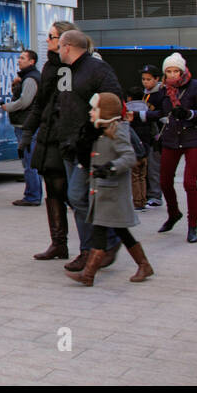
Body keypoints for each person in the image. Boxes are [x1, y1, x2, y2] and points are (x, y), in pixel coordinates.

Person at [53, 29, 124, 271]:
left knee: (77, 196)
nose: (56, 49)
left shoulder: (97, 69)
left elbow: (113, 102)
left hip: (88, 146)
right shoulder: (65, 72)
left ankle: (100, 245)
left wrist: (93, 133)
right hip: (68, 144)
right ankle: (97, 246)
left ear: (69, 46)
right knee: (79, 199)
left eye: (58, 45)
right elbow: (61, 103)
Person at [67, 92, 154, 286]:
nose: (90, 112)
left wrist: (111, 168)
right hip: (102, 193)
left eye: (94, 109)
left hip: (112, 194)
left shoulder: (118, 130)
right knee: (122, 233)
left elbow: (129, 157)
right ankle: (144, 265)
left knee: (100, 234)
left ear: (104, 112)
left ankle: (88, 275)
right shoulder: (100, 129)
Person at [20, 21, 78, 261]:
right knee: (52, 190)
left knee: (72, 194)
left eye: (52, 37)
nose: (48, 40)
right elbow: (41, 103)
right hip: (47, 137)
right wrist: (28, 131)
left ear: (65, 41)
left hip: (64, 138)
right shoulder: (49, 67)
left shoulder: (71, 67)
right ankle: (58, 243)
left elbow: (67, 105)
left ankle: (94, 244)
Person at [155, 52, 197, 243]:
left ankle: (192, 225)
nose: (172, 75)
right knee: (164, 181)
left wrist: (189, 114)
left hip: (193, 139)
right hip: (171, 139)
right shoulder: (164, 89)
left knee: (189, 183)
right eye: (169, 71)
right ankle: (173, 214)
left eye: (176, 71)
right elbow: (159, 113)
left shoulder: (195, 86)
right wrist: (138, 116)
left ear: (183, 71)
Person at [4, 49, 41, 206]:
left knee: (29, 162)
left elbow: (25, 101)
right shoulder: (27, 78)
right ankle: (34, 193)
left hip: (26, 125)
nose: (19, 60)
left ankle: (32, 195)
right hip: (27, 124)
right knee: (30, 161)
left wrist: (9, 107)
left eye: (22, 58)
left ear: (31, 61)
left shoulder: (31, 79)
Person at [135, 65, 166, 207]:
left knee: (154, 167)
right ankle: (147, 194)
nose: (145, 82)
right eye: (143, 79)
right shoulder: (144, 94)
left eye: (148, 79)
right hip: (145, 135)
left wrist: (144, 115)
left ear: (157, 79)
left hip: (157, 135)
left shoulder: (161, 94)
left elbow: (162, 114)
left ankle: (155, 195)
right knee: (145, 166)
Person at [124, 87, 151, 210]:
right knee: (142, 176)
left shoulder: (127, 110)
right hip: (145, 148)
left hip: (133, 149)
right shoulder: (147, 110)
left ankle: (137, 202)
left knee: (134, 176)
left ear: (129, 97)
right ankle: (143, 200)